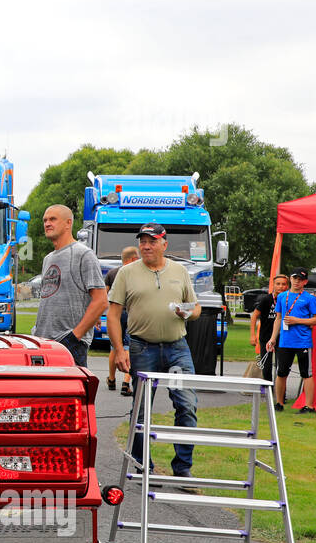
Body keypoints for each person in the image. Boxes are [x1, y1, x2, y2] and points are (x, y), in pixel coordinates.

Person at [106, 223, 202, 484]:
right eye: (143, 241)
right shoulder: (126, 273)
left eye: (152, 241)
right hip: (142, 348)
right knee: (141, 411)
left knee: (187, 405)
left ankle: (182, 468)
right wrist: (119, 350)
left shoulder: (179, 271)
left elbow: (196, 308)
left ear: (164, 244)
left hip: (177, 350)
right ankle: (143, 466)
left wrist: (188, 312)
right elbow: (113, 315)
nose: (146, 246)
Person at [31, 205, 106, 367]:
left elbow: (101, 301)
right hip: (44, 341)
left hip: (69, 343)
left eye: (53, 219)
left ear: (68, 223)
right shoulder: (48, 258)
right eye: (45, 220)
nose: (47, 223)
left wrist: (74, 336)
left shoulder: (83, 254)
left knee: (71, 391)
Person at [265, 267, 316, 412]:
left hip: (303, 341)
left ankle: (309, 406)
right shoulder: (282, 297)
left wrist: (298, 320)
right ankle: (279, 403)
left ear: (305, 282)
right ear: (290, 279)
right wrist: (272, 339)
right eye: (295, 278)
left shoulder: (309, 298)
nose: (297, 281)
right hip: (285, 341)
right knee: (281, 372)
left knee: (306, 374)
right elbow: (278, 318)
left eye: (300, 279)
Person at [104, 245, 139, 393]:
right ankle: (126, 381)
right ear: (133, 259)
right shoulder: (135, 273)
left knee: (115, 347)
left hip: (115, 314)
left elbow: (104, 296)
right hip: (131, 313)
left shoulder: (112, 273)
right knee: (129, 347)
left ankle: (111, 379)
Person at [251, 274, 289, 385]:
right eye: (278, 284)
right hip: (266, 337)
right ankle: (267, 390)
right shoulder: (266, 299)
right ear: (273, 285)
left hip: (283, 338)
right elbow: (254, 316)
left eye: (284, 284)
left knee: (281, 367)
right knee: (266, 366)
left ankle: (281, 393)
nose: (281, 287)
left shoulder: (289, 299)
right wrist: (252, 335)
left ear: (287, 286)